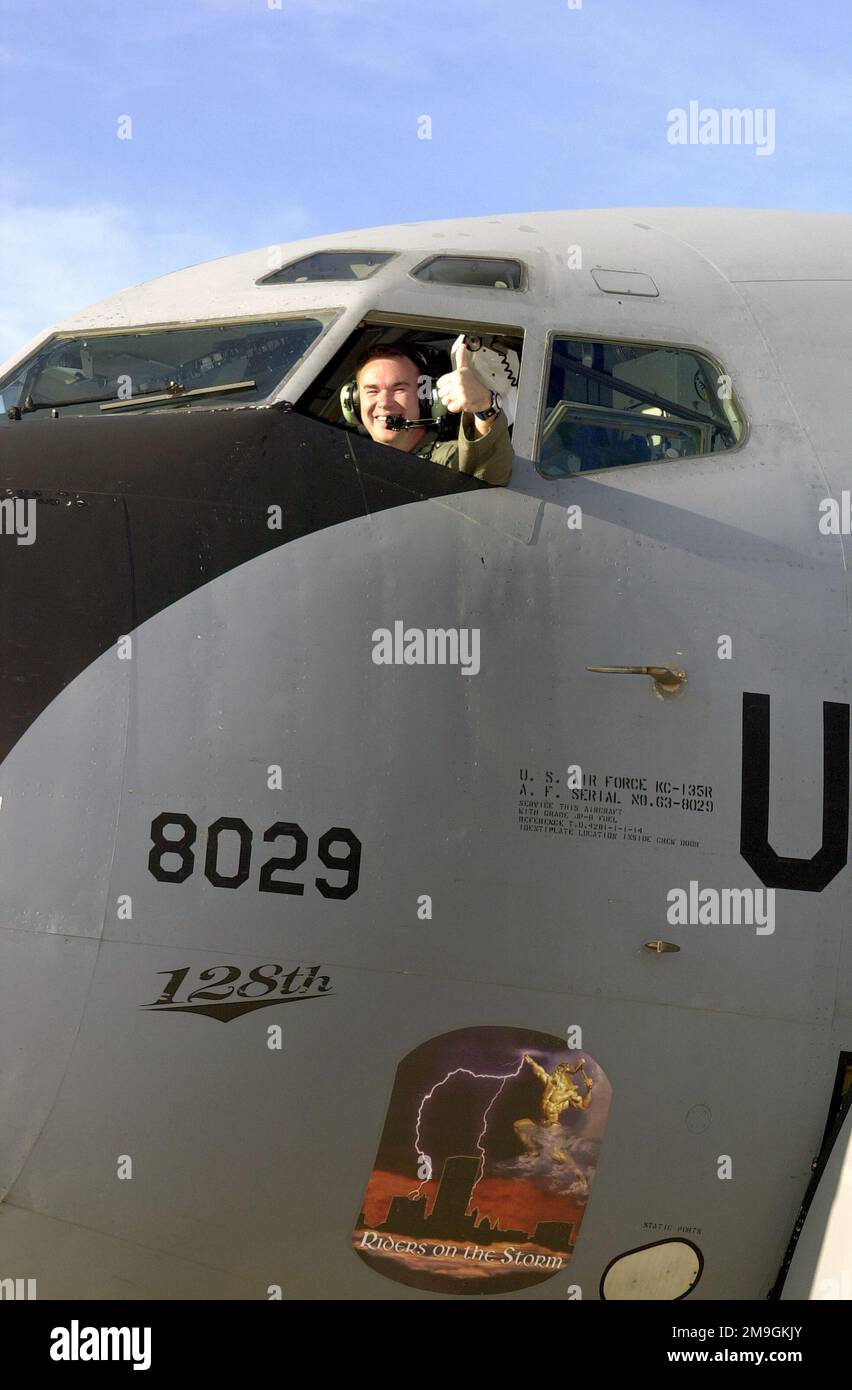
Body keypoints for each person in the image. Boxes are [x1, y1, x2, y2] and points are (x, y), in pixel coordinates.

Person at [354, 342, 513, 486]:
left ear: (428, 398)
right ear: (354, 402)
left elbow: (487, 473)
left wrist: (484, 407)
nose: (384, 402)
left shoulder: (448, 460)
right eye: (372, 391)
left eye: (399, 389)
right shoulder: (350, 460)